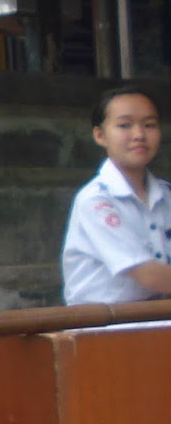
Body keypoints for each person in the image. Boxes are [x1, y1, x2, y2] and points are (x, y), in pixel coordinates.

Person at [62, 85, 171, 305]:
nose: (139, 135)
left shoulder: (166, 194)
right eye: (125, 125)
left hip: (156, 317)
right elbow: (147, 275)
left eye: (150, 125)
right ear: (100, 135)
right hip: (104, 327)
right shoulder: (97, 200)